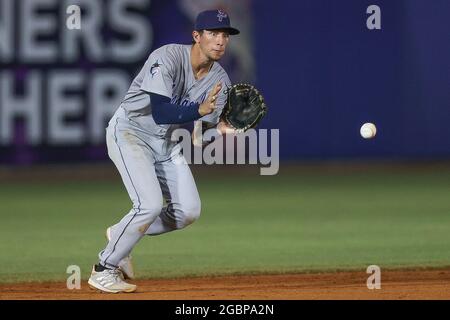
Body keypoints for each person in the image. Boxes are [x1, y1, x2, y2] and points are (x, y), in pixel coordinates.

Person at [88, 9, 240, 293]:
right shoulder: (167, 56)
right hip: (130, 132)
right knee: (149, 205)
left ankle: (122, 234)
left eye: (225, 35)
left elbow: (199, 138)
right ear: (197, 36)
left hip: (165, 144)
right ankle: (103, 268)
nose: (220, 41)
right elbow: (160, 112)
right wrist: (199, 109)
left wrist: (220, 129)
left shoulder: (221, 80)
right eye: (213, 33)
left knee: (188, 212)